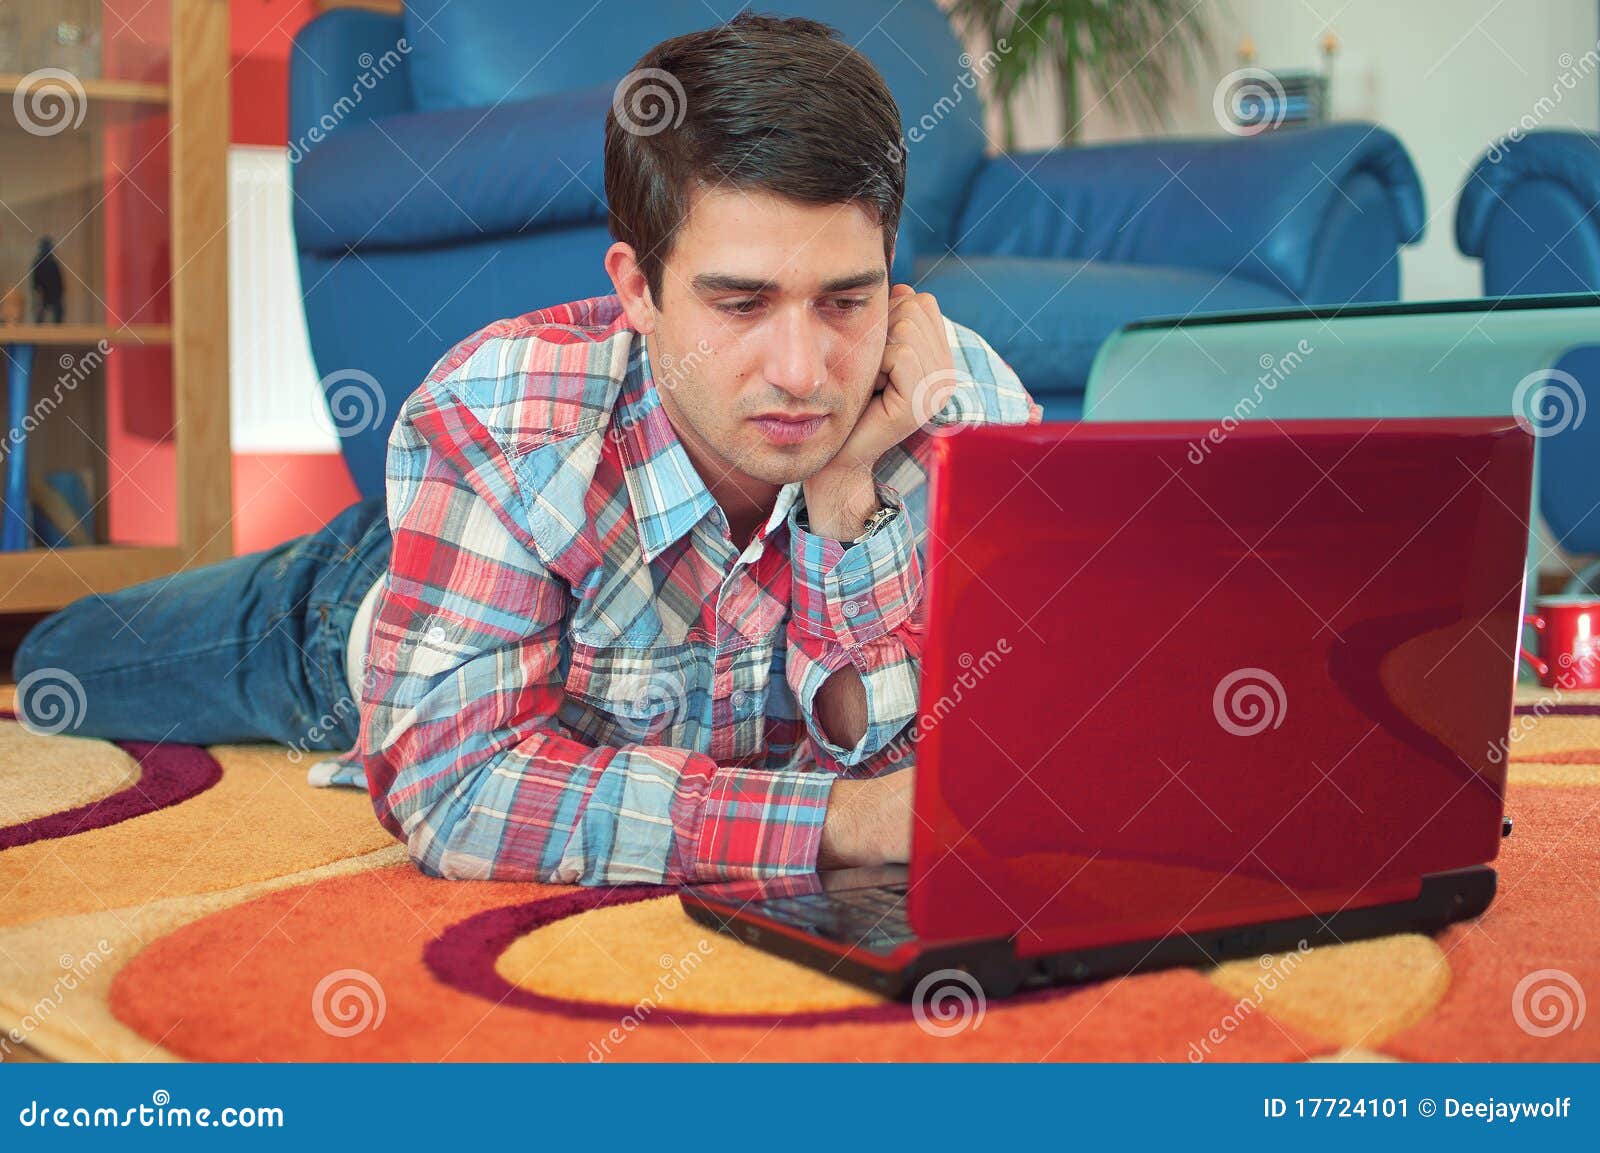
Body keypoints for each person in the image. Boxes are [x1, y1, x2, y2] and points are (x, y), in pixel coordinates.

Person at [12, 12, 1038, 885]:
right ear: (637, 288)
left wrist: (844, 492)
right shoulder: (502, 417)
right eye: (741, 303)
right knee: (67, 670)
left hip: (534, 570)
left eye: (845, 300)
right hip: (357, 610)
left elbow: (955, 765)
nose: (805, 372)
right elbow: (455, 788)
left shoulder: (957, 400)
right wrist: (833, 826)